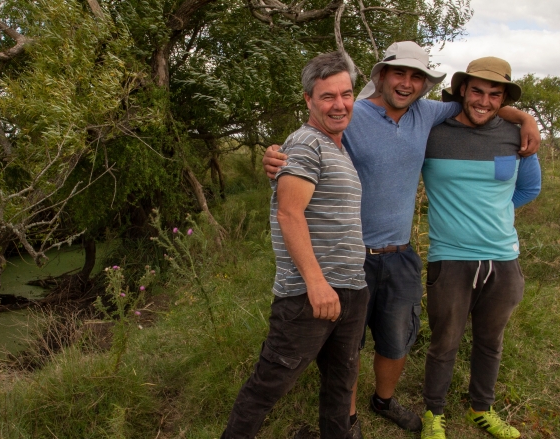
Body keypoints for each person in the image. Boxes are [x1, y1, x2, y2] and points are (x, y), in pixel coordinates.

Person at [262, 42, 541, 436]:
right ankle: (350, 416)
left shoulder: (428, 113)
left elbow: (481, 105)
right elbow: (309, 138)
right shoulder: (350, 112)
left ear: (426, 85)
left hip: (401, 254)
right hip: (351, 255)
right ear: (381, 75)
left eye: (416, 76)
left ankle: (385, 400)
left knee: (397, 338)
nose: (407, 83)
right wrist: (276, 156)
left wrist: (525, 118)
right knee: (348, 345)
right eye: (399, 73)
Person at [222, 51, 370, 438]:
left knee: (340, 385)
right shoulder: (306, 143)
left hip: (351, 290)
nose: (339, 104)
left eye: (346, 94)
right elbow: (289, 213)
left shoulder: (338, 148)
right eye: (327, 96)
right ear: (308, 100)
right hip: (310, 295)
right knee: (268, 385)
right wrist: (316, 282)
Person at [419, 57, 541, 439]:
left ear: (503, 97)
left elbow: (528, 189)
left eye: (494, 94)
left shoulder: (515, 136)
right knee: (445, 342)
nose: (484, 101)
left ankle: (481, 409)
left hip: (503, 259)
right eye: (477, 91)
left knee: (491, 341)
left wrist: (491, 213)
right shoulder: (433, 131)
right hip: (450, 258)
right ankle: (433, 415)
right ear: (462, 91)